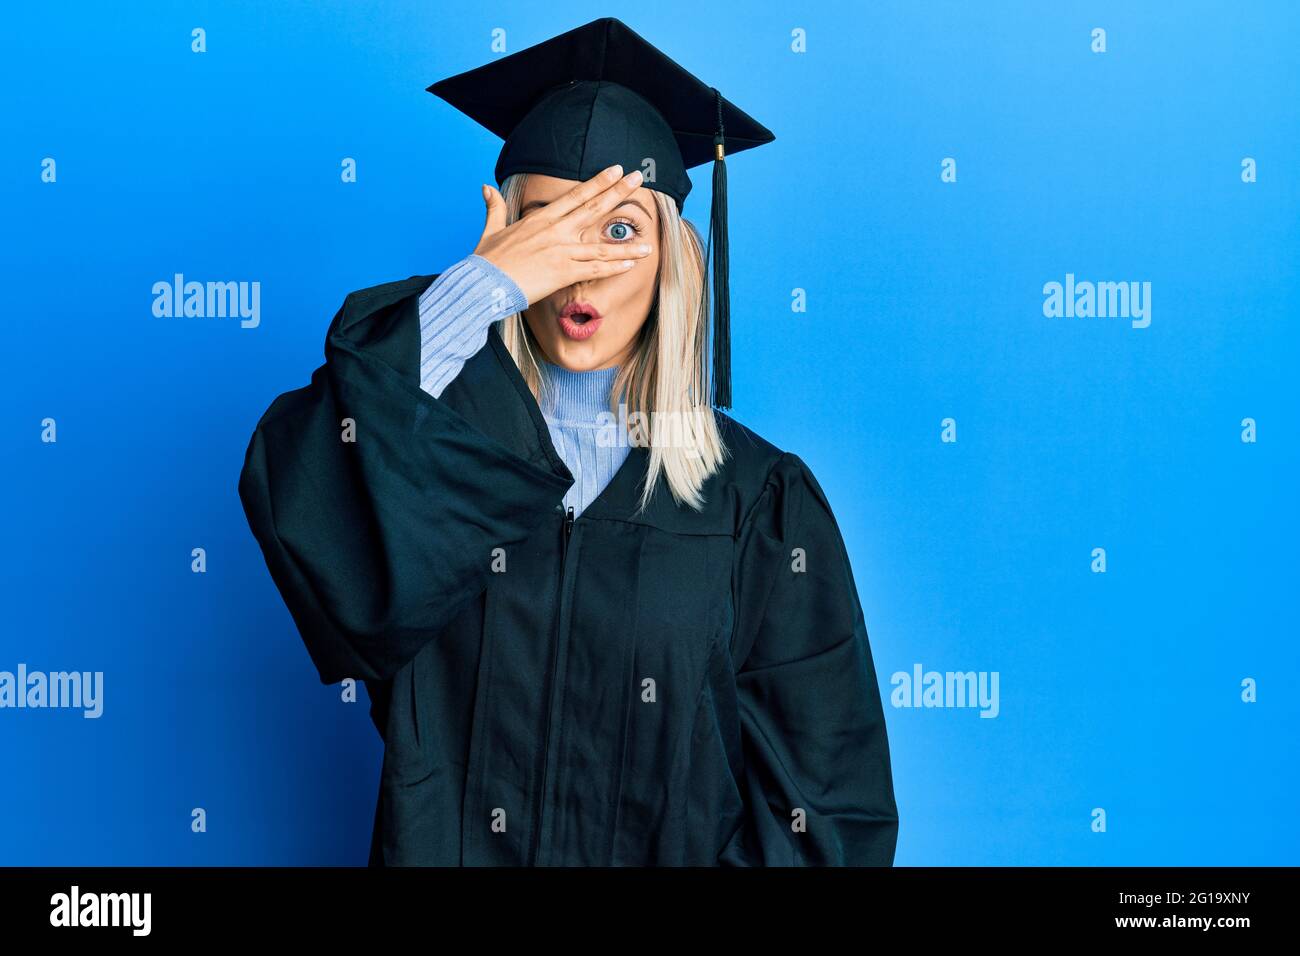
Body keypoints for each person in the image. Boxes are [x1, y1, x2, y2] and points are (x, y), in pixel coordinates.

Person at [238, 17, 898, 866]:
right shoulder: (429, 465)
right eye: (549, 228)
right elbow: (307, 511)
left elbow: (828, 808)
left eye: (620, 230)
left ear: (673, 258)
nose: (580, 269)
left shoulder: (756, 506)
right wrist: (476, 292)